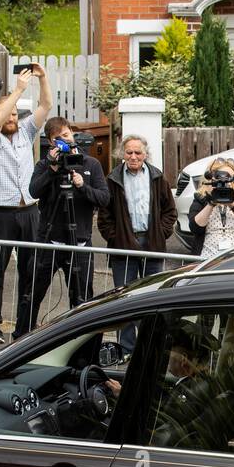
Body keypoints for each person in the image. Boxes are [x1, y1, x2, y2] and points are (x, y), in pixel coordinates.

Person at [0, 64, 52, 346]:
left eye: (15, 113)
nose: (12, 117)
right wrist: (18, 90)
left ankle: (24, 326)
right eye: (8, 112)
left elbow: (46, 105)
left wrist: (43, 77)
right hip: (1, 212)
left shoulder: (25, 133)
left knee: (30, 270)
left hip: (29, 211)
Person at [21, 117, 109, 336]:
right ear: (50, 143)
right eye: (57, 138)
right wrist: (51, 169)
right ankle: (21, 337)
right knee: (31, 293)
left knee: (81, 299)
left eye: (66, 135)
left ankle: (80, 344)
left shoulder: (91, 164)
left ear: (73, 133)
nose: (64, 141)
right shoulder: (45, 164)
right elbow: (33, 191)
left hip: (79, 242)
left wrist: (82, 186)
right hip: (50, 241)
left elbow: (104, 198)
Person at [97, 134, 177, 348]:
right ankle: (126, 347)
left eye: (138, 152)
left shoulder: (157, 177)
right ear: (122, 154)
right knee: (124, 298)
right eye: (129, 152)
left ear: (145, 154)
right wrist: (115, 236)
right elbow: (104, 215)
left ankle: (149, 345)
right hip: (123, 247)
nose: (133, 156)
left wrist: (161, 232)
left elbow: (170, 210)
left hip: (152, 245)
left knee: (152, 296)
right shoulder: (113, 179)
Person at [188, 156, 234, 259]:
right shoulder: (200, 197)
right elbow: (195, 228)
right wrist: (211, 203)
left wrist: (232, 204)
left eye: (229, 178)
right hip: (208, 256)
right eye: (221, 177)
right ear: (211, 177)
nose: (225, 182)